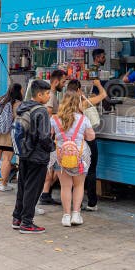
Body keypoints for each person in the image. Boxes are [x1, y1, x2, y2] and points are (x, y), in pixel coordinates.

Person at [12, 79, 55, 234]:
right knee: (33, 189)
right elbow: (44, 137)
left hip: (24, 153)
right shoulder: (41, 111)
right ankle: (27, 223)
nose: (49, 96)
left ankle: (17, 218)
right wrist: (52, 147)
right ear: (39, 94)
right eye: (48, 93)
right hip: (37, 156)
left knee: (23, 186)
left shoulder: (22, 107)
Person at [50, 93, 96, 227]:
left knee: (65, 186)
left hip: (60, 156)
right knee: (78, 185)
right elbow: (91, 137)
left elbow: (49, 135)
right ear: (78, 103)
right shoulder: (84, 119)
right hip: (80, 156)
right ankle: (76, 214)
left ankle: (66, 216)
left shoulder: (54, 119)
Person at [66, 79, 107, 211]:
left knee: (73, 171)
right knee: (91, 171)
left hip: (72, 142)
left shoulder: (65, 105)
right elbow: (104, 95)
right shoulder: (83, 104)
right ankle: (92, 203)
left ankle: (74, 201)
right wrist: (98, 85)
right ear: (78, 91)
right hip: (87, 141)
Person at [0, 83, 23, 191]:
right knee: (7, 159)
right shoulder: (18, 104)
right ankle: (3, 185)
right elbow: (19, 120)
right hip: (8, 135)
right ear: (18, 91)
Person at [39, 69, 67, 205]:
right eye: (63, 81)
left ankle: (46, 193)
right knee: (52, 166)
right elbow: (48, 113)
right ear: (56, 82)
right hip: (50, 136)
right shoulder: (51, 95)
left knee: (52, 165)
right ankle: (45, 194)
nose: (64, 84)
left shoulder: (50, 94)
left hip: (49, 135)